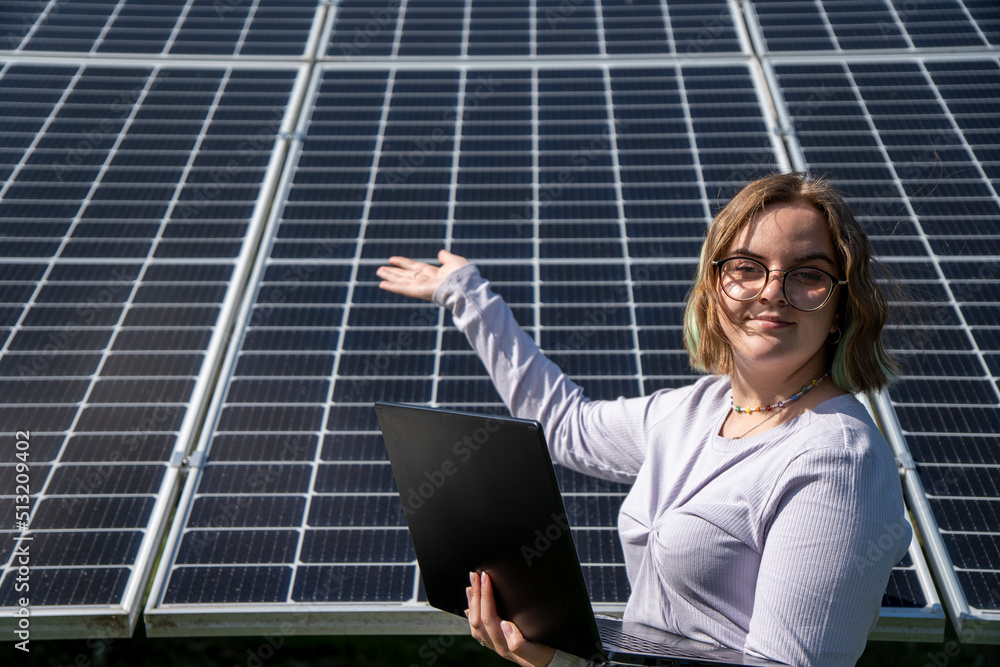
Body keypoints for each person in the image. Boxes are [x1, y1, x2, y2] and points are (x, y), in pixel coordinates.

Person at [376, 172, 910, 667]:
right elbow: (565, 425)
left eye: (808, 275)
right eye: (746, 267)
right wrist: (467, 294)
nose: (771, 290)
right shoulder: (693, 410)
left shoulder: (837, 458)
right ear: (714, 287)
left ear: (841, 305)